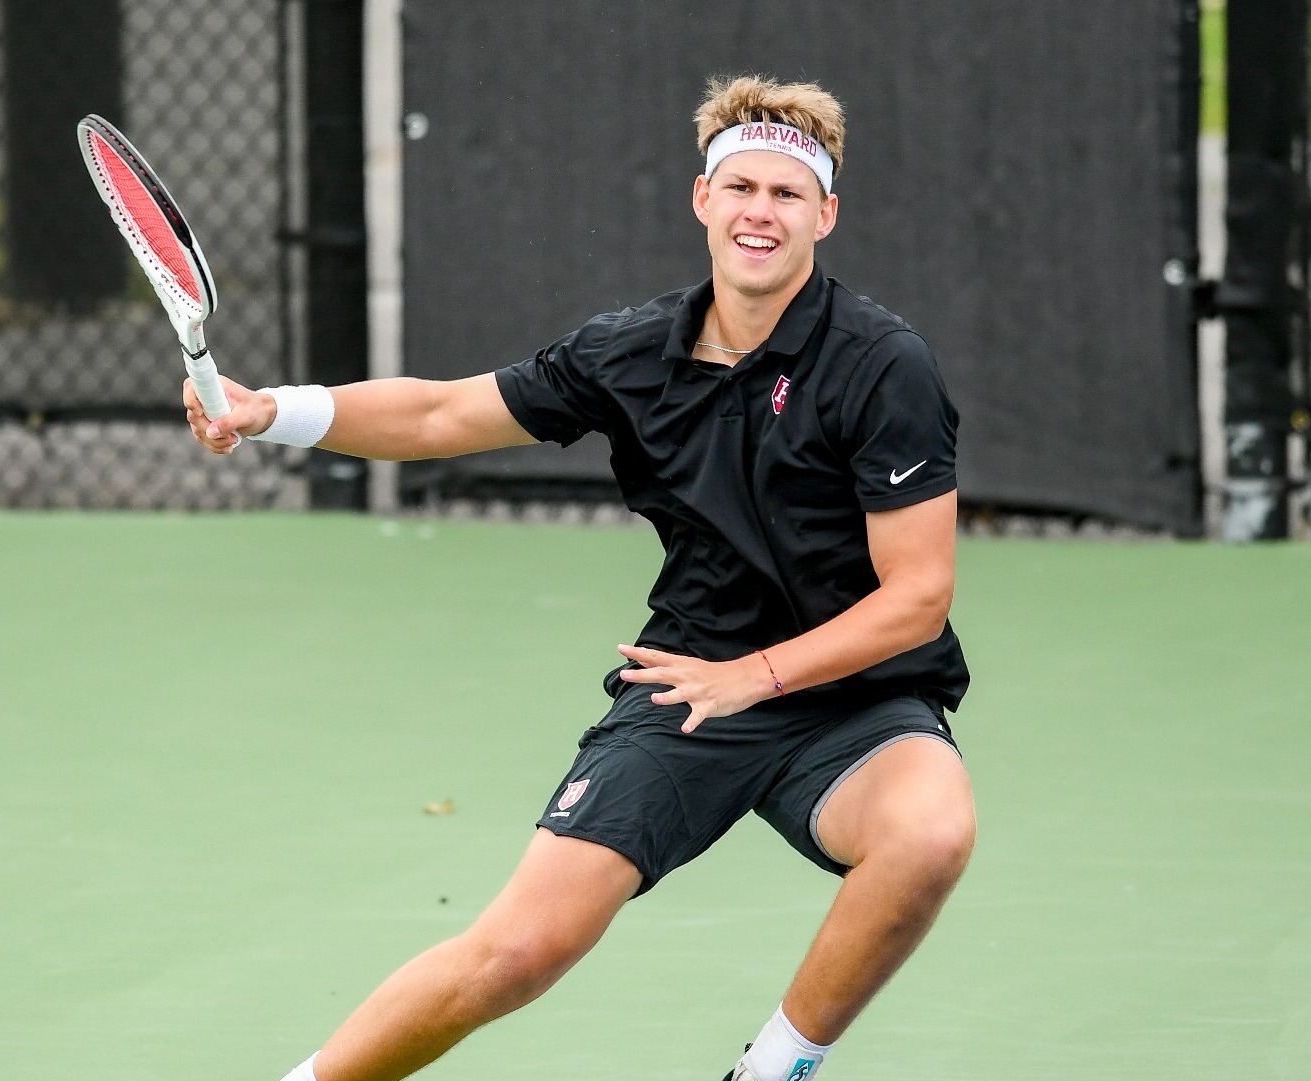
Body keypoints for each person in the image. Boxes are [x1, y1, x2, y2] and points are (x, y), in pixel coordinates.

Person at [183, 75, 975, 1081]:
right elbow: (438, 416)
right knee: (514, 952)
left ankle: (769, 1070)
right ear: (702, 200)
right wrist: (273, 412)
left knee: (931, 829)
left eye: (785, 194)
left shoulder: (881, 364)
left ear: (823, 214)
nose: (758, 213)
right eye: (739, 188)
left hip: (849, 695)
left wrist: (761, 674)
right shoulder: (629, 351)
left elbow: (915, 597)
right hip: (685, 685)